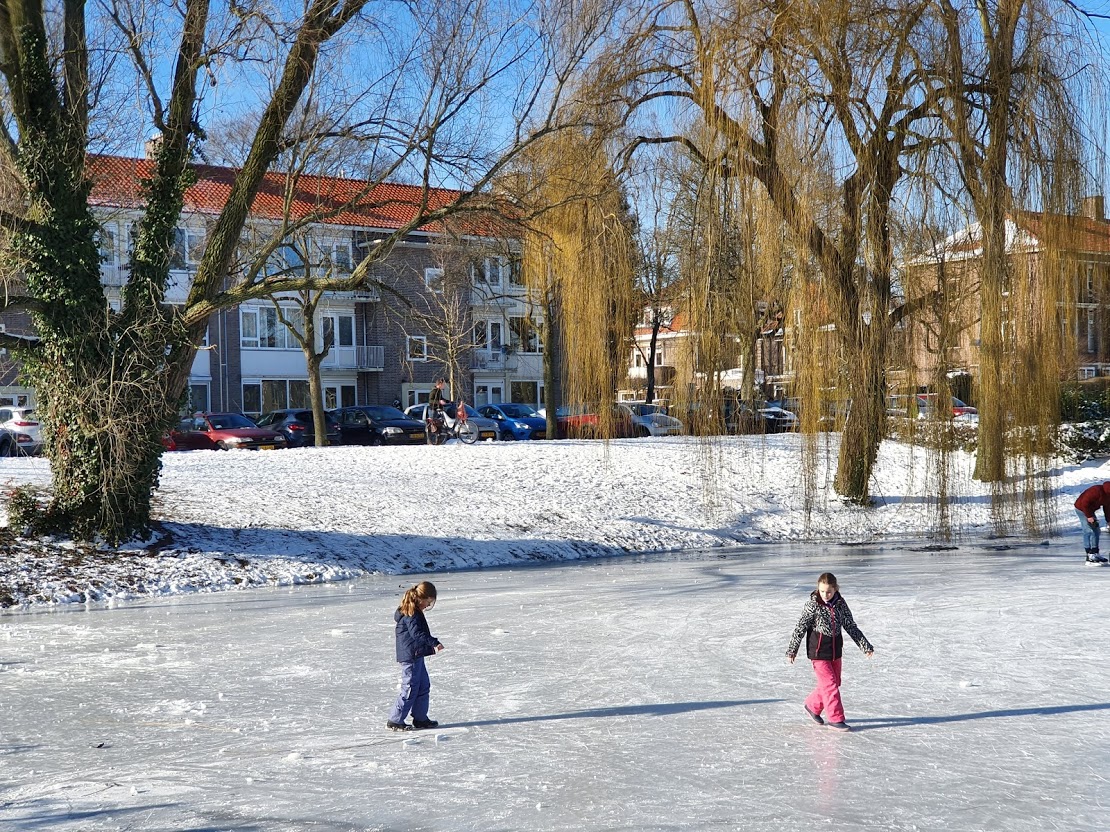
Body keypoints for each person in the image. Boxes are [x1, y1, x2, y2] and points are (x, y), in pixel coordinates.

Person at [786, 572, 873, 732]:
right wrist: (793, 649)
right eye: (822, 591)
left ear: (835, 589)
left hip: (835, 650)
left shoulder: (840, 604)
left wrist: (864, 645)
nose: (825, 595)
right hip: (818, 652)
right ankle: (835, 719)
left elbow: (850, 626)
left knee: (834, 683)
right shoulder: (813, 605)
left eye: (829, 592)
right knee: (830, 685)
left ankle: (812, 706)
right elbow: (800, 627)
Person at [387, 581, 444, 732]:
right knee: (410, 687)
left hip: (417, 654)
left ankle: (420, 718)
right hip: (410, 656)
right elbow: (417, 634)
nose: (428, 605)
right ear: (421, 598)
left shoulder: (415, 611)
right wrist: (434, 642)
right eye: (428, 602)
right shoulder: (411, 613)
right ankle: (395, 720)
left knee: (423, 685)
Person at [1074, 482, 1110, 565]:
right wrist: (1089, 517)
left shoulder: (1108, 496)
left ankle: (1095, 552)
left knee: (1096, 531)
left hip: (1090, 510)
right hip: (1081, 509)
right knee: (1088, 530)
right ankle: (1089, 554)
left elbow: (1107, 508)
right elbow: (1084, 503)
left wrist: (1108, 520)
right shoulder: (1096, 491)